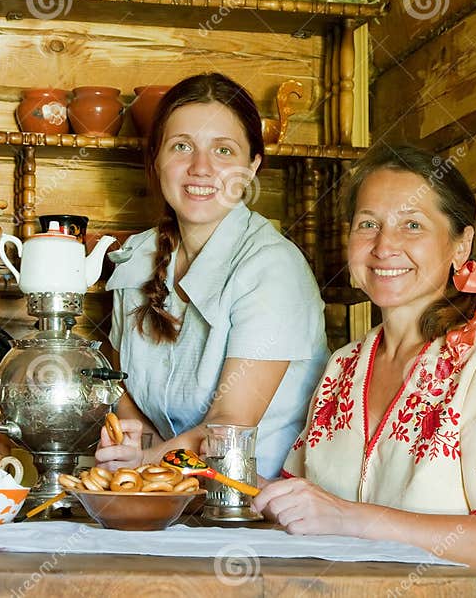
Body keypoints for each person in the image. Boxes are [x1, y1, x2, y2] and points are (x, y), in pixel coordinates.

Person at [253, 146, 476, 597]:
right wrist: (190, 471)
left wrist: (347, 518)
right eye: (368, 224)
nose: (384, 246)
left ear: (461, 245)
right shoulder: (342, 366)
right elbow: (302, 506)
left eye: (411, 224)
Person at [95, 73, 329, 478]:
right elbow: (125, 394)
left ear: (252, 165)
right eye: (182, 146)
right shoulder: (137, 257)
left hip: (261, 507)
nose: (201, 168)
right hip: (175, 497)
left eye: (223, 150)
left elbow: (229, 428)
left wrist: (146, 465)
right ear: (156, 158)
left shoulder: (273, 268)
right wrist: (136, 455)